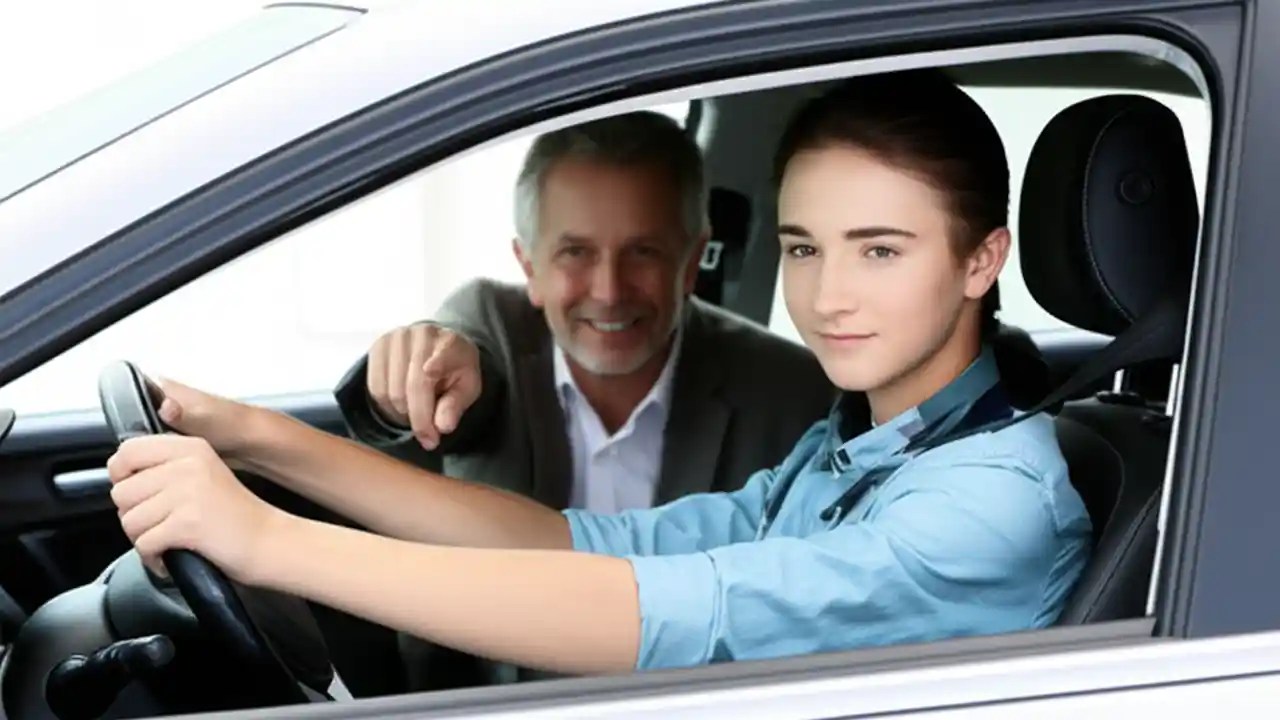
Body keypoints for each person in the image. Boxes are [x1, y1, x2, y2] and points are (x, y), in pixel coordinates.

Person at [105, 68, 1092, 677]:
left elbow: (664, 614)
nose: (827, 296)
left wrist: (268, 542)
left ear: (980, 260)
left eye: (878, 250)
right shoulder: (854, 451)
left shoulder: (992, 502)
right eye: (802, 248)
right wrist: (256, 436)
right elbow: (580, 544)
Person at [332, 110, 837, 519]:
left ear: (690, 262)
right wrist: (408, 384)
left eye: (643, 252)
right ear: (529, 267)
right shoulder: (493, 327)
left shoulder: (794, 394)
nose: (609, 291)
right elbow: (455, 369)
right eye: (575, 252)